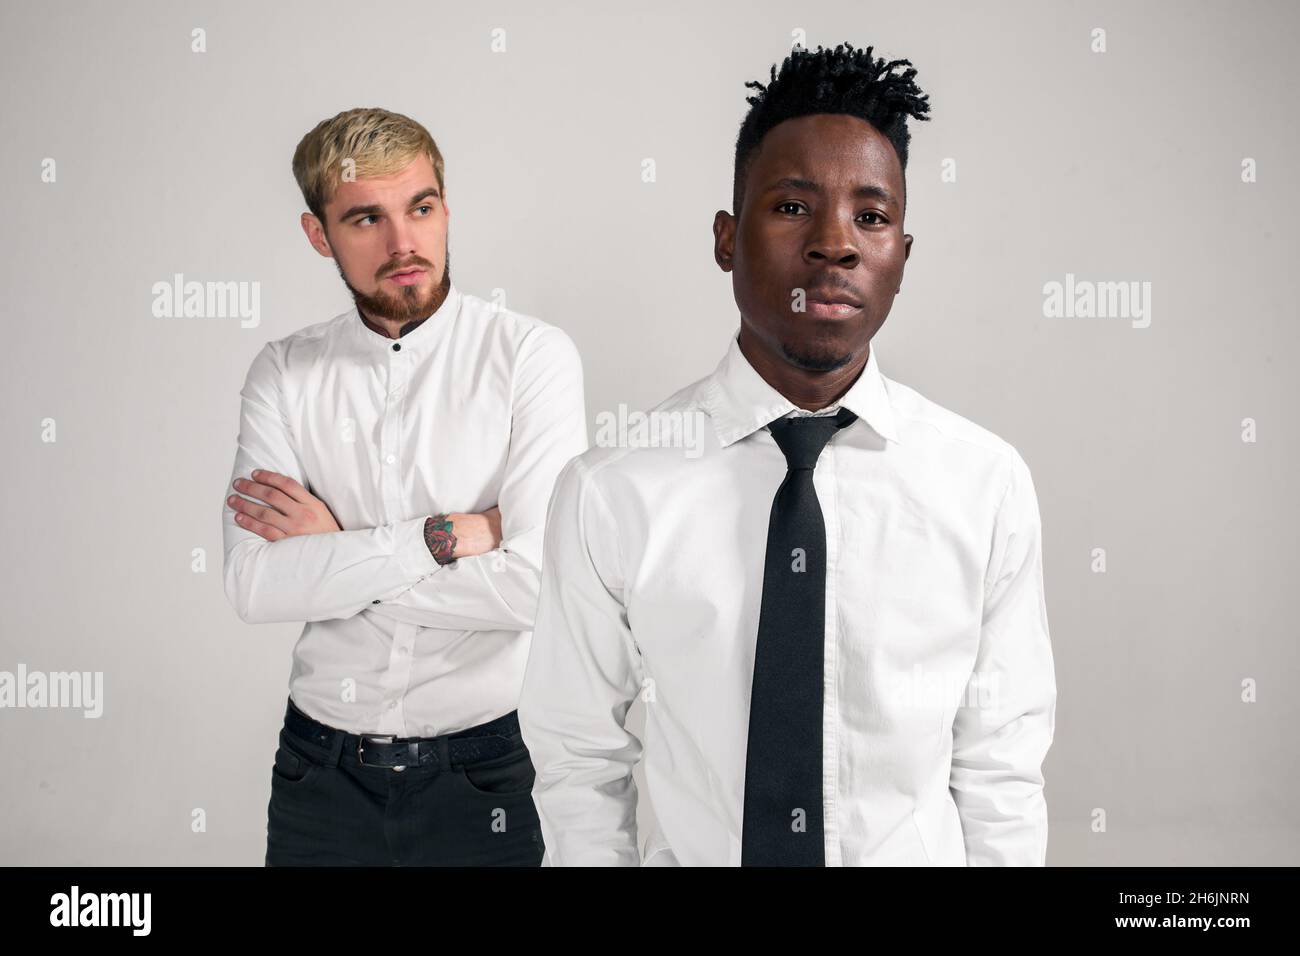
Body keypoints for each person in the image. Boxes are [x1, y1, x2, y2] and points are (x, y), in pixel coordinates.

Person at [519, 43, 1056, 866]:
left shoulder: (984, 486)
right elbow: (580, 766)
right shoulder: (612, 492)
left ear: (901, 260)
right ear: (726, 239)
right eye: (793, 207)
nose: (835, 245)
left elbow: (1000, 773)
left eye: (871, 218)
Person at [221, 107, 586, 865]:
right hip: (318, 775)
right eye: (365, 219)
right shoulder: (285, 374)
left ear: (446, 209)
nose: (403, 243)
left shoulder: (532, 359)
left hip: (483, 774)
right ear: (319, 235)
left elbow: (535, 589)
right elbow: (257, 586)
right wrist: (440, 537)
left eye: (420, 208)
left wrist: (336, 555)